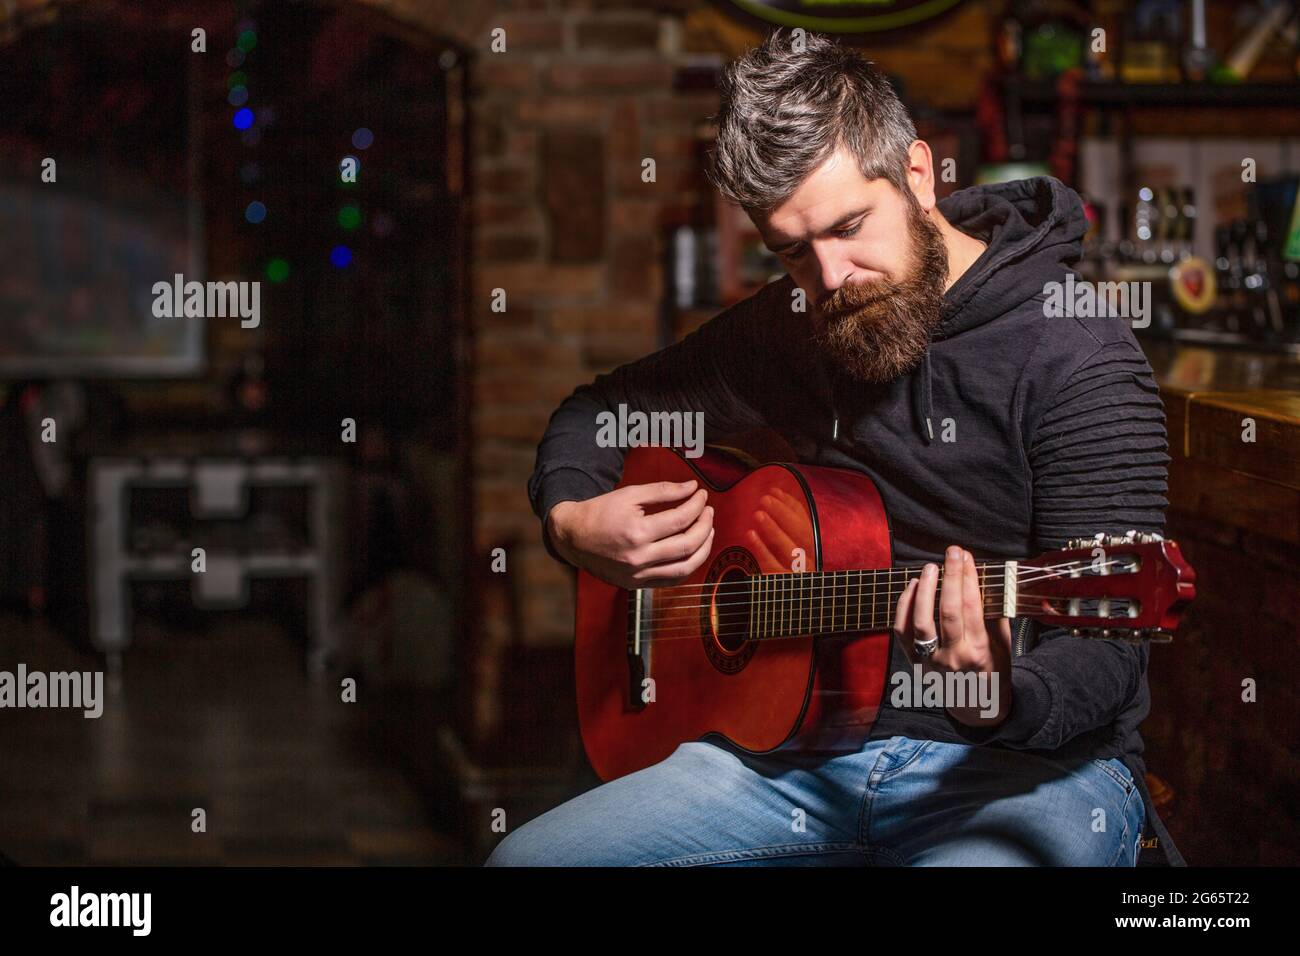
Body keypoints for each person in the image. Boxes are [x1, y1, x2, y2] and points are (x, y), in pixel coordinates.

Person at [488, 29, 1184, 867]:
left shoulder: (1077, 354)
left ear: (918, 174)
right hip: (799, 753)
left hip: (1029, 768)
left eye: (850, 225)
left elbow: (1106, 658)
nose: (831, 277)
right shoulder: (799, 325)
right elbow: (602, 410)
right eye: (789, 250)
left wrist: (996, 692)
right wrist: (572, 519)